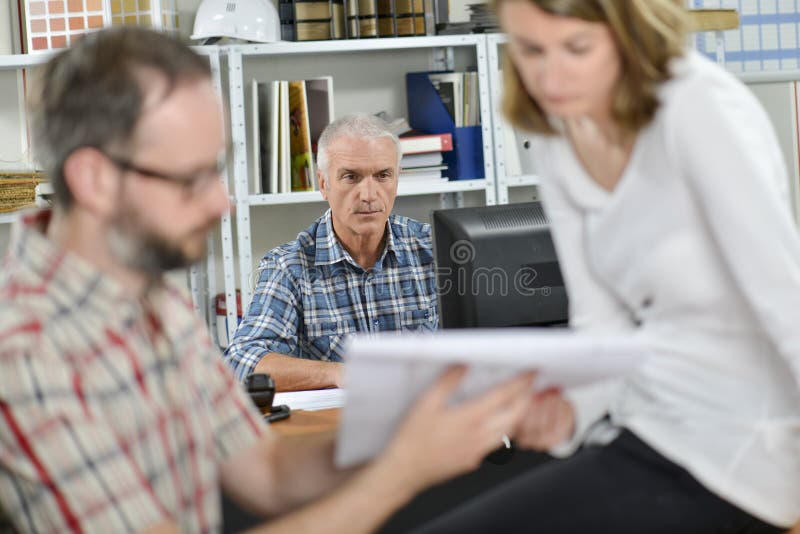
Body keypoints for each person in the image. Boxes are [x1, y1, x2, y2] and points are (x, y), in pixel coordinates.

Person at [0, 26, 536, 533]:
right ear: (94, 180)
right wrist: (405, 469)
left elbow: (267, 471)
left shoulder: (151, 297)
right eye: (191, 178)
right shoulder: (24, 352)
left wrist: (407, 438)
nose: (222, 203)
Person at [415, 1, 800, 532]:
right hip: (653, 430)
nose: (550, 77)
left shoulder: (697, 107)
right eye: (530, 50)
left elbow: (784, 298)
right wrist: (569, 408)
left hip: (746, 451)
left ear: (626, 34)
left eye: (576, 48)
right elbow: (601, 321)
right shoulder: (558, 133)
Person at [224, 113, 437, 390]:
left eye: (383, 175)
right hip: (339, 417)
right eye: (351, 177)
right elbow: (241, 362)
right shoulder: (289, 266)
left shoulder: (434, 248)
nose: (369, 195)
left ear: (397, 179)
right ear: (323, 184)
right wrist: (339, 374)